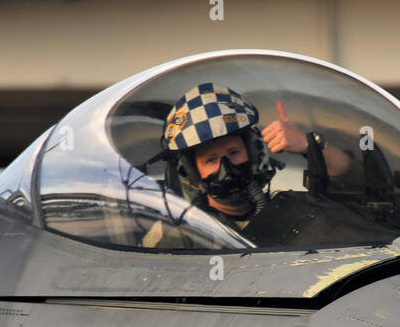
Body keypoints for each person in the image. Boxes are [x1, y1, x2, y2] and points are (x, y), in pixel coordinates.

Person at [142, 83, 353, 248]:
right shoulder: (181, 234)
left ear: (252, 154)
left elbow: (355, 189)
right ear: (192, 172)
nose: (226, 166)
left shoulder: (293, 214)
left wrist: (310, 145)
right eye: (211, 160)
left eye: (234, 153)